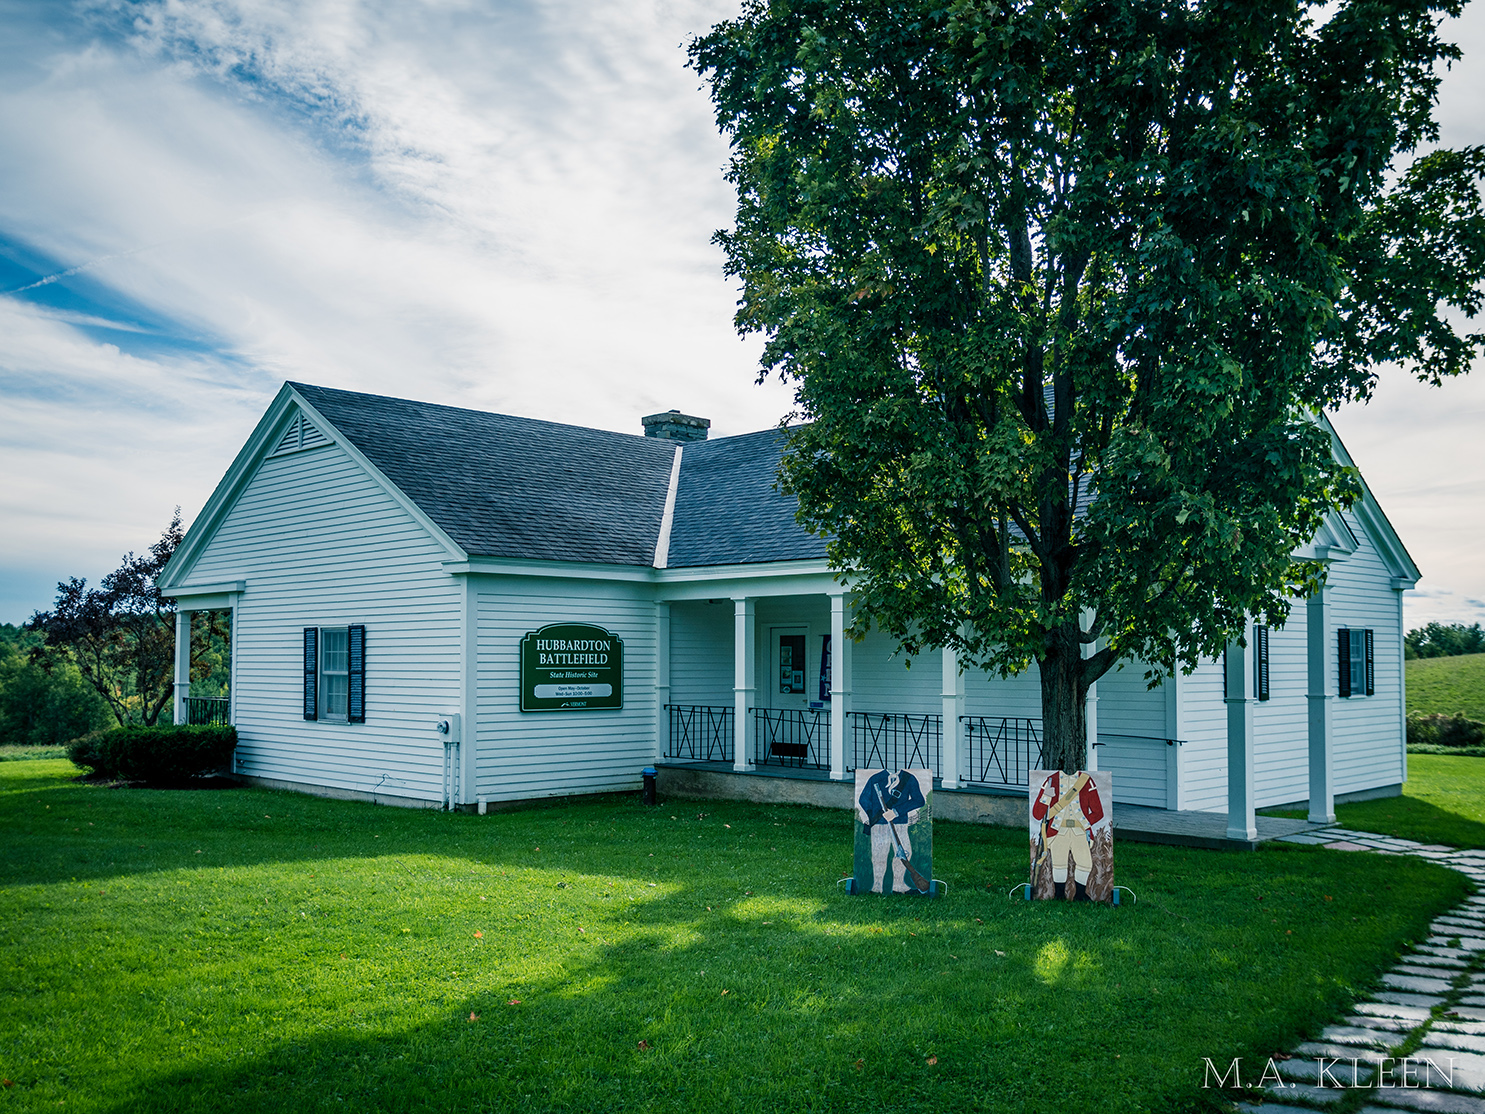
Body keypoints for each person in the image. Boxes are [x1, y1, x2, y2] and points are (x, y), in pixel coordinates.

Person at [1031, 770, 1104, 900]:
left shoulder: (1086, 781)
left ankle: (1080, 895)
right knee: (1059, 864)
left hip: (1080, 832)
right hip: (1058, 830)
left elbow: (1098, 812)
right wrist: (1046, 797)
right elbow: (1037, 814)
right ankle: (1059, 895)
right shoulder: (1051, 781)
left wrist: (1084, 824)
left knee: (1085, 864)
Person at [857, 769, 927, 893]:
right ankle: (877, 886)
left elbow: (919, 800)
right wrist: (873, 816)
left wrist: (896, 812)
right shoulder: (875, 778)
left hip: (900, 823)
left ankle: (898, 886)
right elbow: (864, 799)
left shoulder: (909, 778)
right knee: (879, 854)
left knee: (904, 853)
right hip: (879, 825)